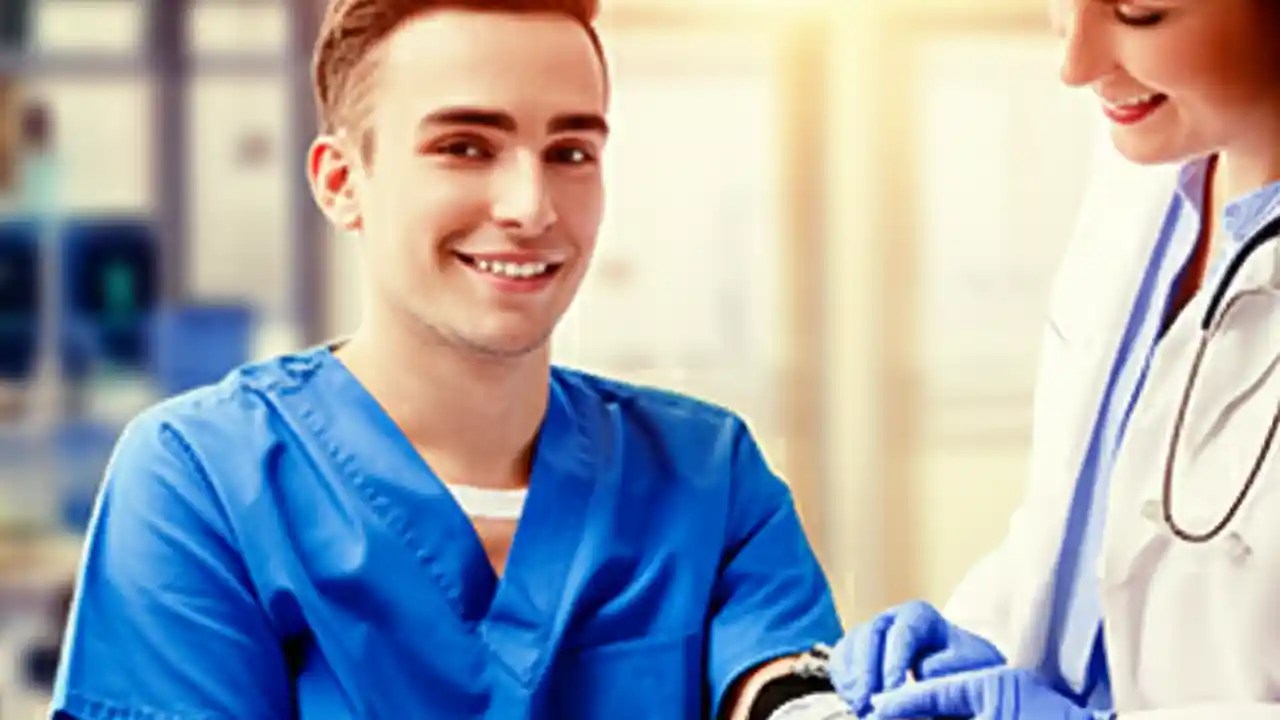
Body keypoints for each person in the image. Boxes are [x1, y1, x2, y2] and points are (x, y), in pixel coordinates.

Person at [48, 1, 845, 718]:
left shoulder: (707, 477)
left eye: (569, 152)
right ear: (340, 182)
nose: (530, 207)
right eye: (466, 147)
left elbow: (780, 690)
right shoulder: (204, 481)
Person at [829, 0, 1280, 718]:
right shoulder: (1141, 174)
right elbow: (1093, 512)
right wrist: (982, 636)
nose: (1075, 67)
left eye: (1139, 12)